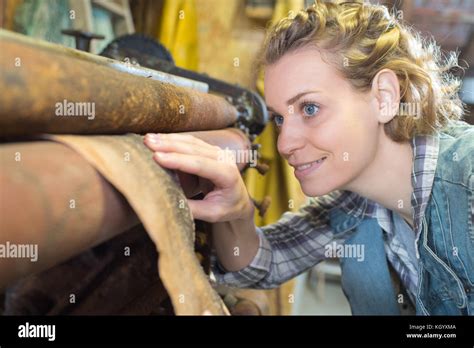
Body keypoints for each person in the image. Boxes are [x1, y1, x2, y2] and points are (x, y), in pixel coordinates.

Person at [144, 0, 473, 315]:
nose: (285, 144)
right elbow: (263, 264)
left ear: (383, 97)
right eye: (280, 118)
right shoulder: (357, 204)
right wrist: (235, 211)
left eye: (310, 108)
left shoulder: (468, 180)